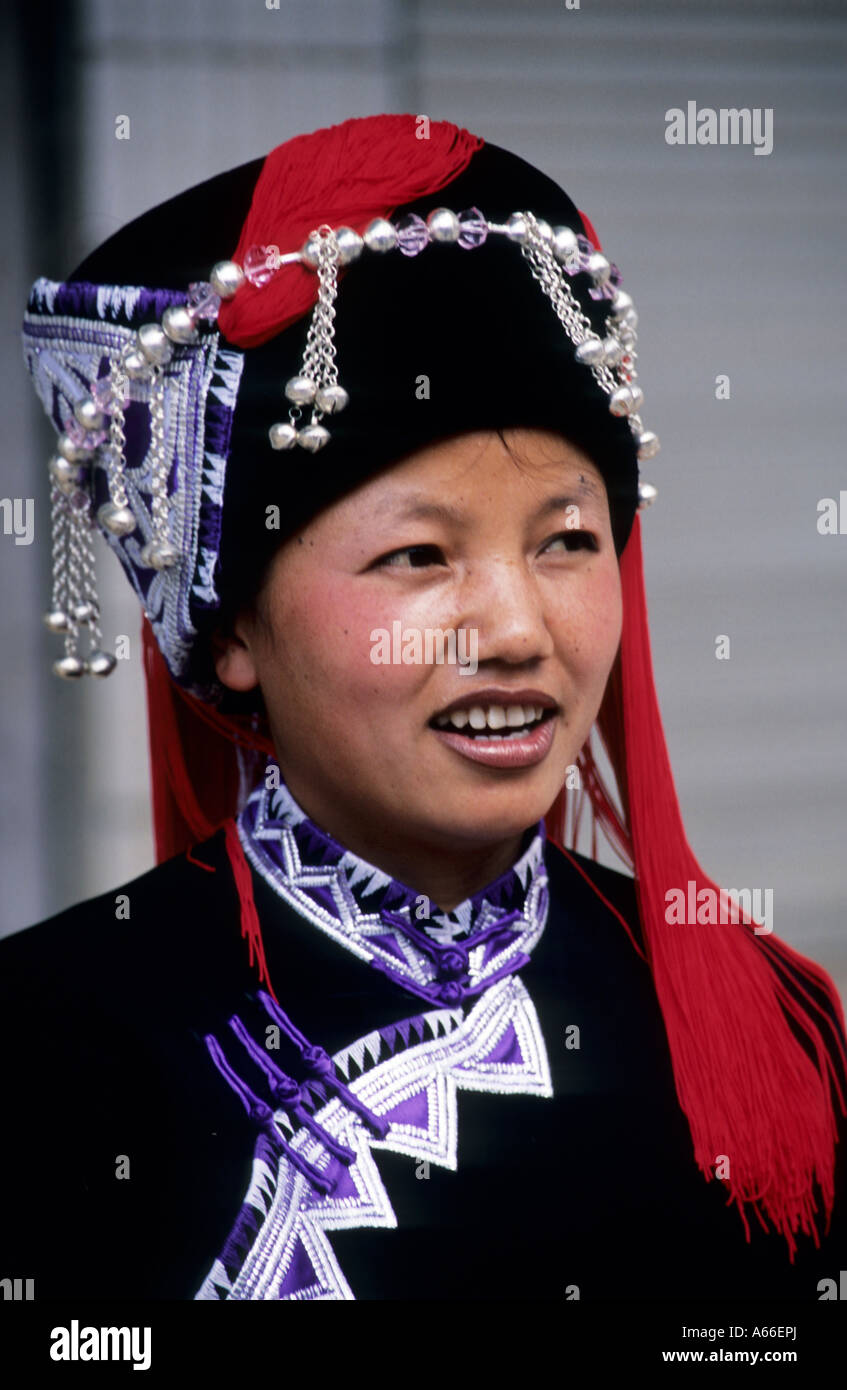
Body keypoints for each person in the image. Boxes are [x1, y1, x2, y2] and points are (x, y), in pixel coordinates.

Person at [2, 112, 845, 1302]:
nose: (514, 630)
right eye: (416, 555)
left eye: (565, 538)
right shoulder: (45, 1045)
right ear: (233, 628)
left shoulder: (764, 1023)